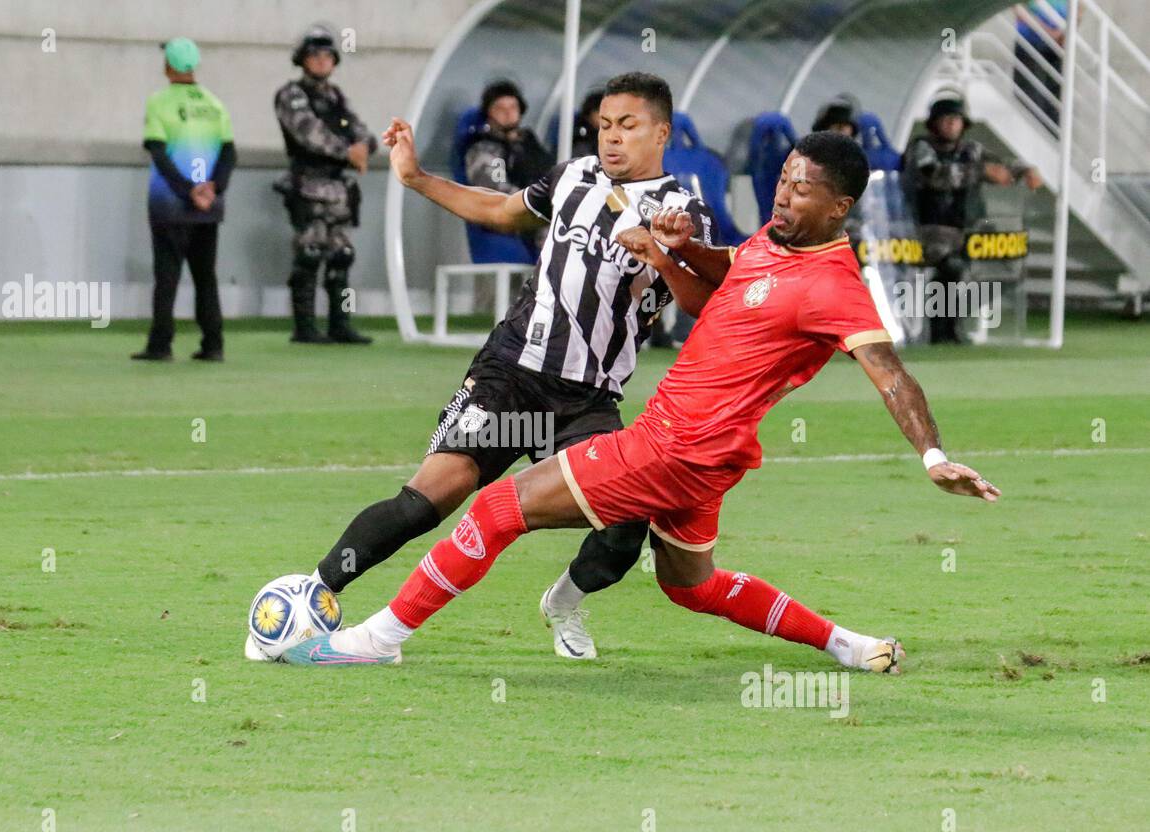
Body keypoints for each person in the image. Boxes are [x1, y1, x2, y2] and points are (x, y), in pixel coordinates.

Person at [280, 132, 1002, 669]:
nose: (784, 194)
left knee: (500, 508)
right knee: (690, 585)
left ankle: (377, 640)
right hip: (708, 461)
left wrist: (933, 454)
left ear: (839, 206)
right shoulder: (772, 243)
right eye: (783, 179)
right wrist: (673, 251)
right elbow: (728, 276)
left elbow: (891, 373)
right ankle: (848, 646)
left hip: (674, 446)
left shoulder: (835, 285)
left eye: (803, 188)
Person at [251, 73, 719, 663]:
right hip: (511, 372)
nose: (611, 139)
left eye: (627, 126)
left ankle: (565, 601)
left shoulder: (685, 213)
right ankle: (314, 591)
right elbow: (501, 211)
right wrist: (416, 177)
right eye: (604, 125)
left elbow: (704, 301)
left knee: (626, 524)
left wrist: (666, 253)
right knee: (432, 494)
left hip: (586, 399)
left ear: (662, 132)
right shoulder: (571, 175)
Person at [901, 98, 1042, 343]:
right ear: (934, 124)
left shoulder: (970, 150)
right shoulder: (921, 147)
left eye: (956, 120)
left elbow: (999, 164)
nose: (951, 125)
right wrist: (978, 172)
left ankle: (957, 327)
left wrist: (1024, 170)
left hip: (966, 230)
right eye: (945, 120)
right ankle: (940, 331)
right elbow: (932, 175)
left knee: (1001, 263)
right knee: (950, 268)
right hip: (925, 231)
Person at [132, 37, 236, 362]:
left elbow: (159, 153)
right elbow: (229, 153)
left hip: (170, 205)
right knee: (206, 276)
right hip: (209, 208)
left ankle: (160, 345)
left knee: (167, 276)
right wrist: (212, 189)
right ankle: (213, 343)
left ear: (167, 67)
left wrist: (187, 190)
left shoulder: (158, 103)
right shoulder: (214, 103)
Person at [274, 26, 376, 344]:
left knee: (342, 255)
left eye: (327, 55)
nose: (321, 61)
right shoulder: (291, 95)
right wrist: (349, 151)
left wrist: (363, 148)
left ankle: (339, 323)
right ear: (302, 59)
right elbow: (308, 132)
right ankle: (304, 326)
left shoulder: (336, 98)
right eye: (314, 55)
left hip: (339, 189)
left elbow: (364, 133)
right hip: (309, 185)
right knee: (309, 252)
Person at [463, 79, 555, 257]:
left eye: (513, 107)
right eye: (500, 108)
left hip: (541, 209)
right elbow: (494, 191)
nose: (508, 113)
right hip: (518, 217)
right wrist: (536, 200)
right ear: (488, 113)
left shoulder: (530, 143)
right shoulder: (485, 148)